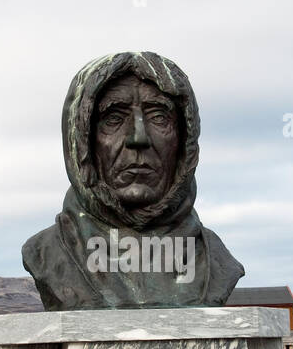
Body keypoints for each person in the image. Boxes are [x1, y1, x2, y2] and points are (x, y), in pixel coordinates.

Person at [22, 51, 244, 310]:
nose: (138, 138)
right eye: (114, 119)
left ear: (184, 140)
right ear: (82, 142)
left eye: (159, 117)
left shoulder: (217, 261)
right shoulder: (46, 253)